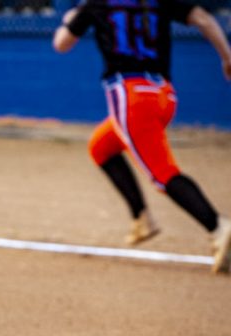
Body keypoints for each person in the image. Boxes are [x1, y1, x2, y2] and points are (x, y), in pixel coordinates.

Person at [53, 0, 231, 274]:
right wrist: (227, 56)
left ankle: (217, 226)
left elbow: (62, 44)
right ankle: (141, 217)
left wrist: (70, 18)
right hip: (164, 95)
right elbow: (203, 19)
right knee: (102, 147)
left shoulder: (97, 3)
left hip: (131, 97)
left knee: (163, 174)